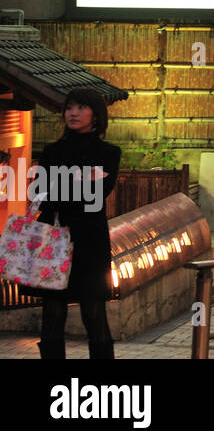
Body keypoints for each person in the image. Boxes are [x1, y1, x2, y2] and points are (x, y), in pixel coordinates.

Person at [34, 87, 121, 360]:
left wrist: (64, 186)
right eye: (70, 107)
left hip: (89, 242)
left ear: (96, 116)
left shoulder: (109, 152)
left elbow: (96, 195)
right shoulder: (51, 151)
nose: (73, 113)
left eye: (81, 108)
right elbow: (40, 193)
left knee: (94, 314)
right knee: (52, 314)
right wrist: (81, 180)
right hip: (53, 238)